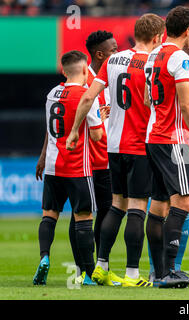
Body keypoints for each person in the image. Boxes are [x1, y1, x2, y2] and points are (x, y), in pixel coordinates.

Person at [66, 13, 166, 288]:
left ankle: (101, 266)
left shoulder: (113, 60)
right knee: (136, 207)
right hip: (140, 145)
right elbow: (154, 102)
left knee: (116, 206)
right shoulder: (154, 63)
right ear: (158, 38)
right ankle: (132, 274)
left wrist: (75, 130)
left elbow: (89, 96)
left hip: (113, 146)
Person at [144, 6, 189, 288]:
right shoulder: (180, 58)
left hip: (153, 136)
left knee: (158, 206)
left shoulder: (153, 55)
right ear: (188, 30)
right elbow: (186, 104)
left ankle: (159, 272)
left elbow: (149, 100)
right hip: (174, 140)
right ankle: (169, 269)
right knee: (182, 202)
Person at [33, 50, 103, 286]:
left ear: (64, 70)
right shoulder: (86, 96)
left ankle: (44, 258)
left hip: (53, 166)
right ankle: (88, 273)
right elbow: (96, 135)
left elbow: (50, 130)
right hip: (77, 168)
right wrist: (100, 118)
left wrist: (42, 157)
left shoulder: (52, 93)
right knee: (84, 219)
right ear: (85, 70)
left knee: (49, 215)